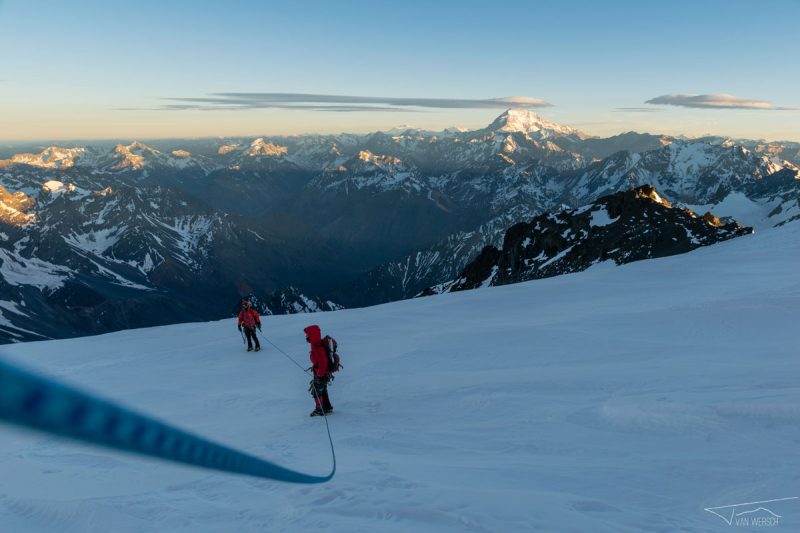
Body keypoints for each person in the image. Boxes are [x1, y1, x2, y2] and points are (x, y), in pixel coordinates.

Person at [304, 324, 333, 417]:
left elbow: (323, 362)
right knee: (323, 389)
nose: (306, 336)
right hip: (322, 372)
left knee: (316, 390)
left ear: (312, 335)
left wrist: (320, 374)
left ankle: (320, 409)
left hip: (321, 373)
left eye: (307, 335)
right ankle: (327, 407)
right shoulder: (316, 344)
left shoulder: (317, 347)